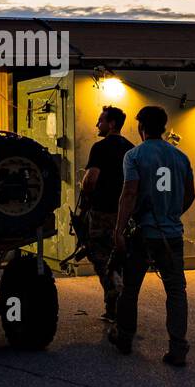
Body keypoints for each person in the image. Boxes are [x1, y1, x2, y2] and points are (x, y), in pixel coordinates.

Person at [110, 105, 195, 366]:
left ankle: (124, 337)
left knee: (130, 287)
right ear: (164, 127)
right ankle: (177, 348)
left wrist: (119, 229)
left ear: (141, 127)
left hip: (143, 233)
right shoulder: (180, 157)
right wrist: (170, 213)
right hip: (172, 235)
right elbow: (189, 195)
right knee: (176, 291)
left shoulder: (133, 156)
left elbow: (129, 193)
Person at [77, 106, 133, 321]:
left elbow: (90, 181)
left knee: (98, 254)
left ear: (111, 124)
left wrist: (85, 192)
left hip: (101, 211)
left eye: (100, 121)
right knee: (119, 254)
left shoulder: (100, 148)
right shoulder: (131, 148)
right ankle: (114, 309)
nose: (96, 125)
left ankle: (113, 287)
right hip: (124, 212)